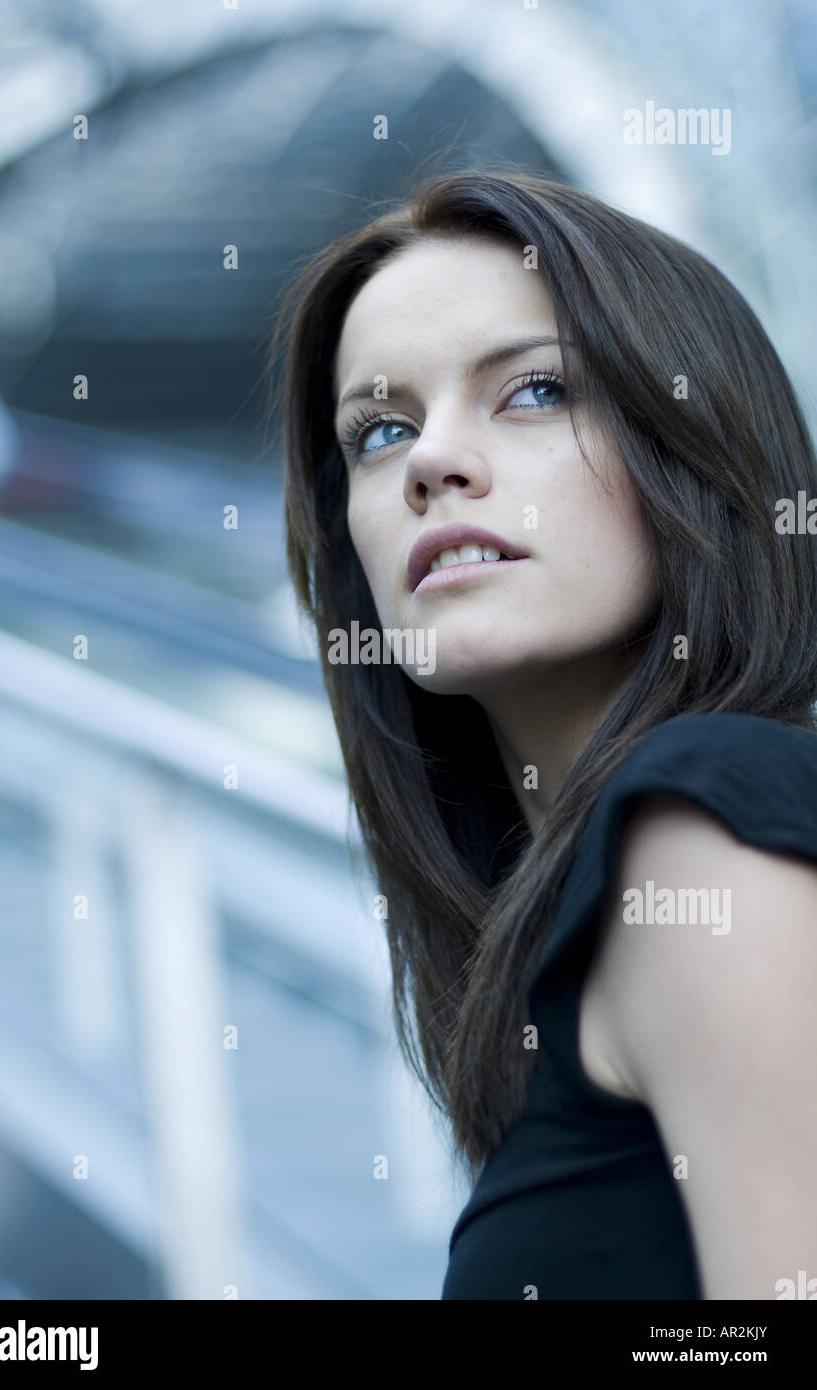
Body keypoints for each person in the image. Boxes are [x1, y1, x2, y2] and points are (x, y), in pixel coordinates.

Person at [268, 171, 817, 1299]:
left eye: (530, 393)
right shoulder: (586, 898)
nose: (430, 462)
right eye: (378, 430)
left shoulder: (704, 816)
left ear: (695, 448)